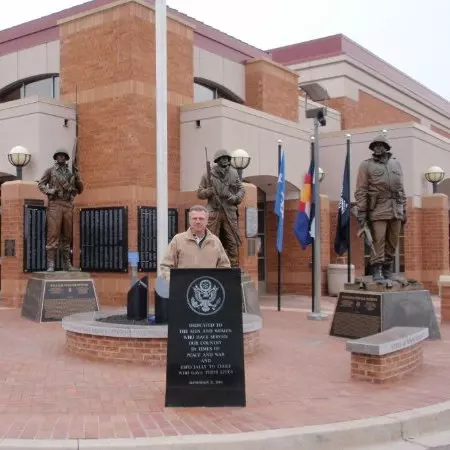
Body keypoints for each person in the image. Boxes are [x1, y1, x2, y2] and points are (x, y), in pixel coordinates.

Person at [355, 133, 406, 282]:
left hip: (396, 208)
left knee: (393, 241)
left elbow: (401, 188)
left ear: (386, 147)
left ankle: (387, 270)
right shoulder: (366, 165)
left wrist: (405, 209)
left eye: (380, 145)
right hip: (377, 208)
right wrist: (362, 211)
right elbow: (361, 190)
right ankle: (376, 269)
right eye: (375, 145)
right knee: (378, 240)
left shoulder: (396, 164)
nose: (377, 148)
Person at [197, 149, 245, 267]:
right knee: (211, 238)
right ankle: (211, 264)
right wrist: (208, 191)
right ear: (217, 160)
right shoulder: (208, 174)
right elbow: (199, 192)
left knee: (232, 239)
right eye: (222, 158)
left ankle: (233, 264)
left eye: (227, 158)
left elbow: (241, 189)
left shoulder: (233, 174)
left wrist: (235, 198)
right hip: (214, 210)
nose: (225, 160)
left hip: (229, 211)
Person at [37, 149, 84, 272]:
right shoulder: (50, 171)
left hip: (68, 205)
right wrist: (50, 191)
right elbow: (41, 184)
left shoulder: (71, 173)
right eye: (59, 156)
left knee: (67, 236)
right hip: (55, 204)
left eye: (63, 156)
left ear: (67, 158)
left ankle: (67, 264)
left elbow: (80, 189)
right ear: (56, 158)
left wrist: (77, 176)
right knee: (53, 234)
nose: (61, 158)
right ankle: (51, 264)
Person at [159, 205, 230, 281]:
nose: (198, 221)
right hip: (184, 289)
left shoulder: (215, 241)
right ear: (189, 220)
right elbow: (166, 266)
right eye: (194, 218)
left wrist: (217, 281)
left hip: (208, 289)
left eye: (201, 219)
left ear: (207, 220)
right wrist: (174, 281)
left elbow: (224, 267)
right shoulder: (178, 240)